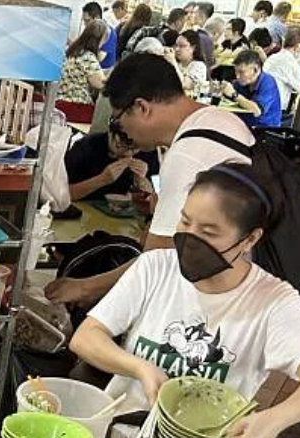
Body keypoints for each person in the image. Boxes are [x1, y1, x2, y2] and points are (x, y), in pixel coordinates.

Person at [68, 161, 300, 438]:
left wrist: (271, 422)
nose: (189, 238)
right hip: (122, 435)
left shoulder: (274, 301)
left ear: (249, 239)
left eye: (209, 232)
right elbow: (86, 337)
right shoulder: (155, 267)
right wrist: (141, 368)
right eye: (185, 221)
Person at [45, 53, 253, 305]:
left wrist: (86, 288)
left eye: (117, 118)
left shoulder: (187, 154)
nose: (121, 129)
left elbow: (157, 259)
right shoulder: (221, 120)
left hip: (216, 295)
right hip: (243, 281)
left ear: (141, 108)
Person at [65, 128, 160, 202]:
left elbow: (154, 200)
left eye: (134, 149)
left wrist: (142, 182)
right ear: (110, 133)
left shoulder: (148, 152)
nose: (128, 154)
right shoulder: (87, 146)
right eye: (120, 146)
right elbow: (63, 195)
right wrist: (102, 179)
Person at [57, 20, 108, 122]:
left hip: (58, 103)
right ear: (99, 40)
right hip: (76, 107)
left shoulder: (70, 52)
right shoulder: (88, 57)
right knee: (103, 118)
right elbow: (100, 84)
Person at [224, 49, 282, 127]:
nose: (237, 76)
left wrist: (234, 94)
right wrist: (221, 90)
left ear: (256, 69)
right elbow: (228, 98)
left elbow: (256, 111)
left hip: (264, 128)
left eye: (241, 72)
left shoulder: (268, 83)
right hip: (243, 125)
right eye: (236, 71)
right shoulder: (240, 82)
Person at [263, 26, 300, 114]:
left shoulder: (273, 57)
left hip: (263, 102)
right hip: (275, 108)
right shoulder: (290, 62)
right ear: (298, 45)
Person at [83, 2, 120, 70]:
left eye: (87, 20)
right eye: (84, 20)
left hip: (103, 69)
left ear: (97, 18)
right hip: (92, 65)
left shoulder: (108, 32)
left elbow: (99, 58)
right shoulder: (92, 30)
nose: (85, 24)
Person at [174, 31, 209, 101]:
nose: (177, 49)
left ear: (193, 48)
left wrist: (173, 62)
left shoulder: (199, 66)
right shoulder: (177, 64)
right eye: (176, 45)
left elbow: (185, 85)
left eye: (182, 46)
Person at [191, 2, 217, 67]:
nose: (192, 15)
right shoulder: (204, 34)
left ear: (202, 16)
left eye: (194, 13)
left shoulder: (201, 36)